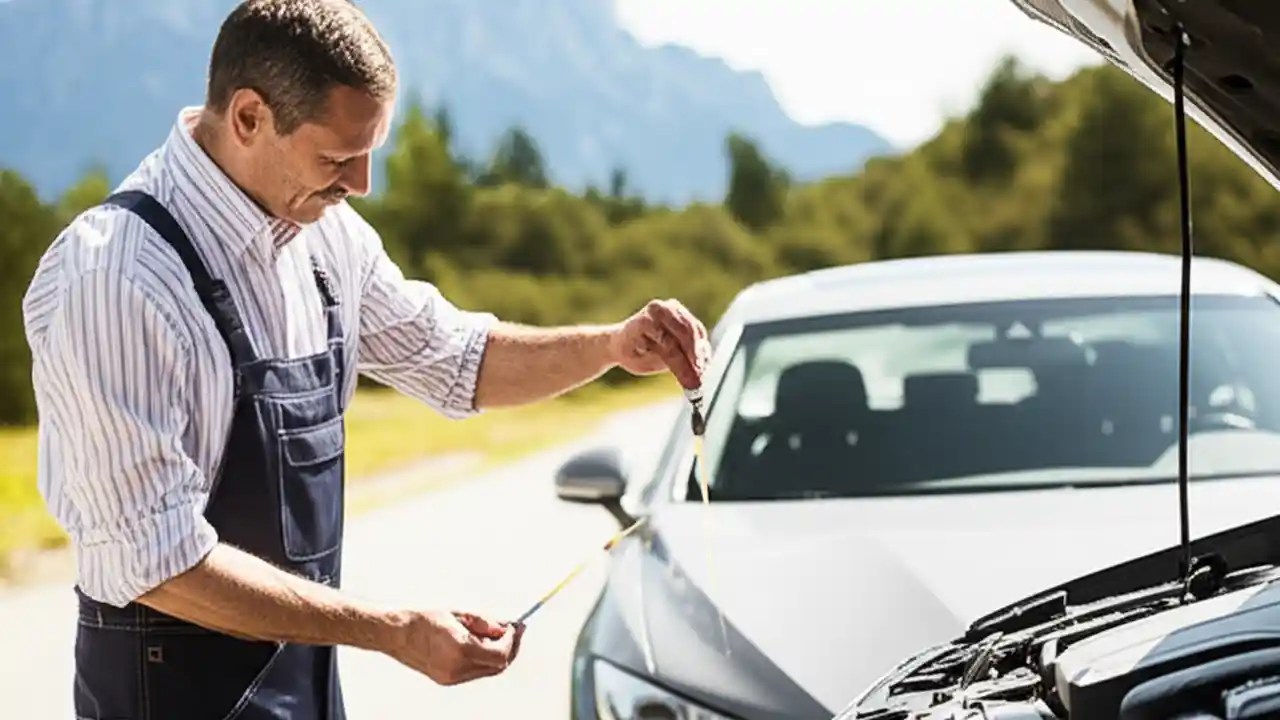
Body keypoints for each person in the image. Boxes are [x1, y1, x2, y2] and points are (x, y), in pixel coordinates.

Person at [20, 1, 709, 718]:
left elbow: (456, 359)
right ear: (250, 118)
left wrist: (611, 346)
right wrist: (394, 633)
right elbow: (155, 561)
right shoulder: (117, 276)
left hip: (308, 694)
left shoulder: (325, 237)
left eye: (371, 150)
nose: (362, 184)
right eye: (338, 156)